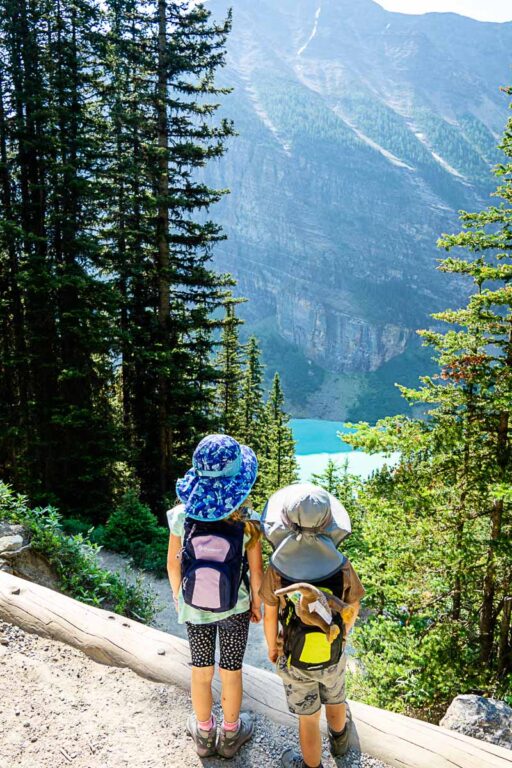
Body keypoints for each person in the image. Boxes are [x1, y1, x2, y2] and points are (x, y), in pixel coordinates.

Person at [167, 434, 263, 759]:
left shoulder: (181, 515)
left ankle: (204, 734)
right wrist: (257, 604)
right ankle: (231, 734)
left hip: (195, 605)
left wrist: (180, 599)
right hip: (235, 607)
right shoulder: (248, 522)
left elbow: (172, 564)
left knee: (201, 669)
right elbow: (257, 573)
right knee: (231, 669)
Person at [259, 483, 364, 768]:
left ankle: (311, 765)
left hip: (294, 656)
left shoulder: (277, 569)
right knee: (336, 698)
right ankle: (340, 740)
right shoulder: (342, 565)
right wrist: (343, 638)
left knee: (307, 719)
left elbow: (270, 615)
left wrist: (272, 648)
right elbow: (352, 608)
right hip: (333, 651)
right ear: (328, 521)